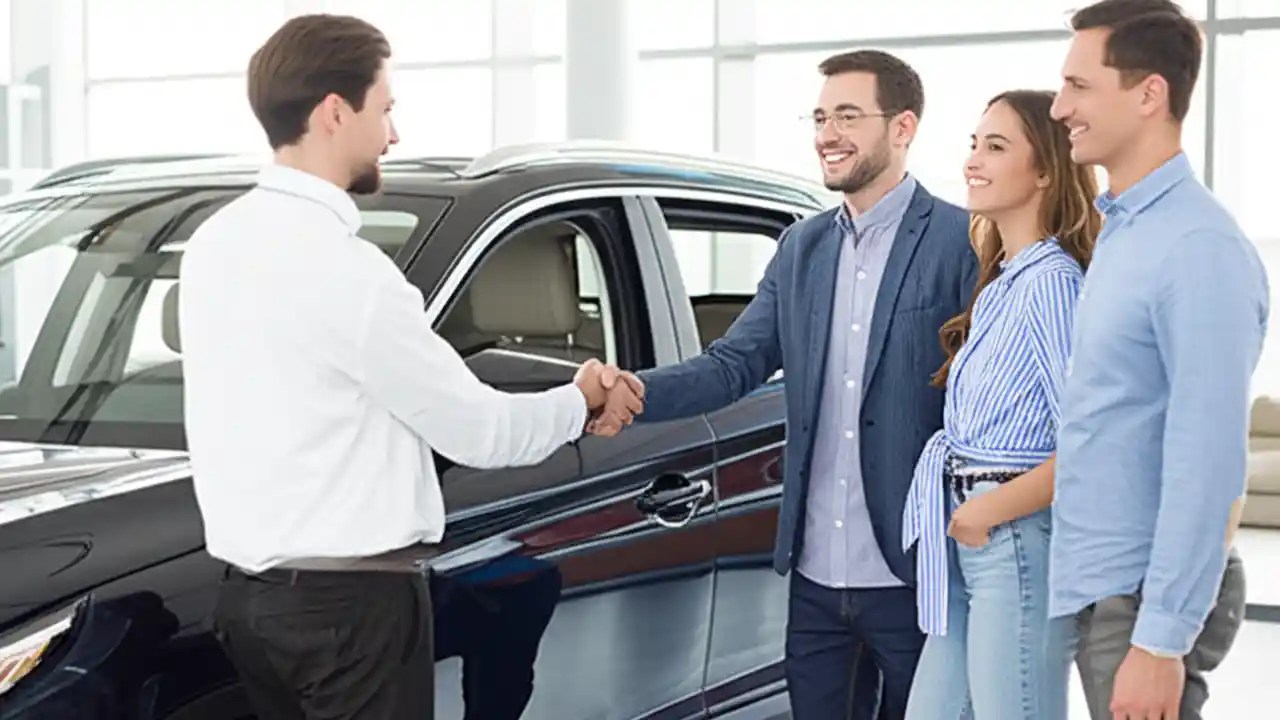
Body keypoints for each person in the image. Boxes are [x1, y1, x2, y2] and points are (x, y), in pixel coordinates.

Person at [178, 14, 641, 720]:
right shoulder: (350, 272)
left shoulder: (214, 244)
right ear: (335, 112)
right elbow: (481, 434)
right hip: (352, 615)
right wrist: (580, 399)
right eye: (386, 108)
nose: (394, 134)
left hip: (251, 605)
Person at [584, 50, 977, 719]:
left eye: (848, 115)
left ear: (903, 127)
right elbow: (733, 364)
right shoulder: (802, 247)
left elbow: (982, 400)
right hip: (816, 578)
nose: (827, 133)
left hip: (916, 575)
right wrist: (631, 391)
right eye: (821, 116)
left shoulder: (959, 239)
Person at [1047, 1, 1268, 718]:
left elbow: (1207, 457)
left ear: (1149, 94)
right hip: (1103, 586)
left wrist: (1163, 640)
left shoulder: (1196, 247)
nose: (1059, 107)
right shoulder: (1126, 231)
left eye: (1080, 86)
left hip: (1139, 602)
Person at [900, 89, 1101, 720]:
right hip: (971, 531)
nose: (972, 160)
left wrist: (988, 511)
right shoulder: (1002, 282)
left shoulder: (1053, 284)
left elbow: (1090, 445)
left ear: (1045, 170)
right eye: (972, 144)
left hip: (1012, 538)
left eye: (996, 145)